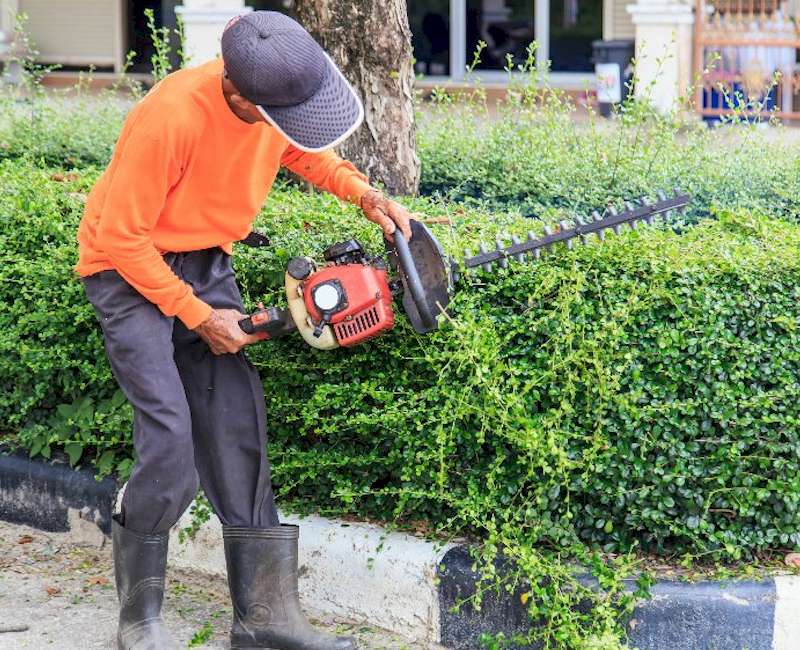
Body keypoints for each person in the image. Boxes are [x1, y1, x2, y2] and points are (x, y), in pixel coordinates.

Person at [75, 11, 412, 650]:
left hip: (203, 259)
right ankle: (138, 621)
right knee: (172, 441)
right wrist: (200, 316)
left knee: (236, 423)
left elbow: (298, 149)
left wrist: (362, 193)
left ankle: (264, 621)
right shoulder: (172, 116)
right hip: (126, 271)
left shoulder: (267, 106)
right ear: (239, 94)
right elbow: (122, 236)